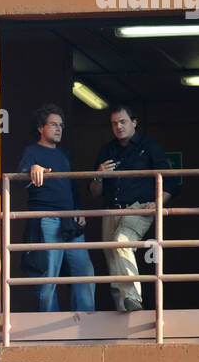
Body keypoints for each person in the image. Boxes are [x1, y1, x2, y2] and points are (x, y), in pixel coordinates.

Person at [88, 104, 180, 312]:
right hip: (111, 210)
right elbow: (94, 191)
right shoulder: (106, 150)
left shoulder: (149, 147)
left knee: (121, 242)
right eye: (114, 123)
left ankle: (133, 298)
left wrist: (158, 203)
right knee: (113, 261)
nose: (118, 127)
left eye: (123, 122)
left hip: (139, 208)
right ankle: (123, 313)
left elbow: (172, 183)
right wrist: (98, 174)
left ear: (134, 123)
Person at [17, 105, 95, 313]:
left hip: (70, 219)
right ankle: (48, 323)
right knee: (48, 275)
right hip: (47, 220)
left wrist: (79, 210)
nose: (59, 129)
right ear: (41, 127)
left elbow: (72, 187)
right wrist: (31, 169)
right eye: (54, 125)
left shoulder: (64, 155)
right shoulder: (31, 152)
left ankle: (86, 321)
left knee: (85, 271)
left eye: (61, 125)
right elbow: (19, 178)